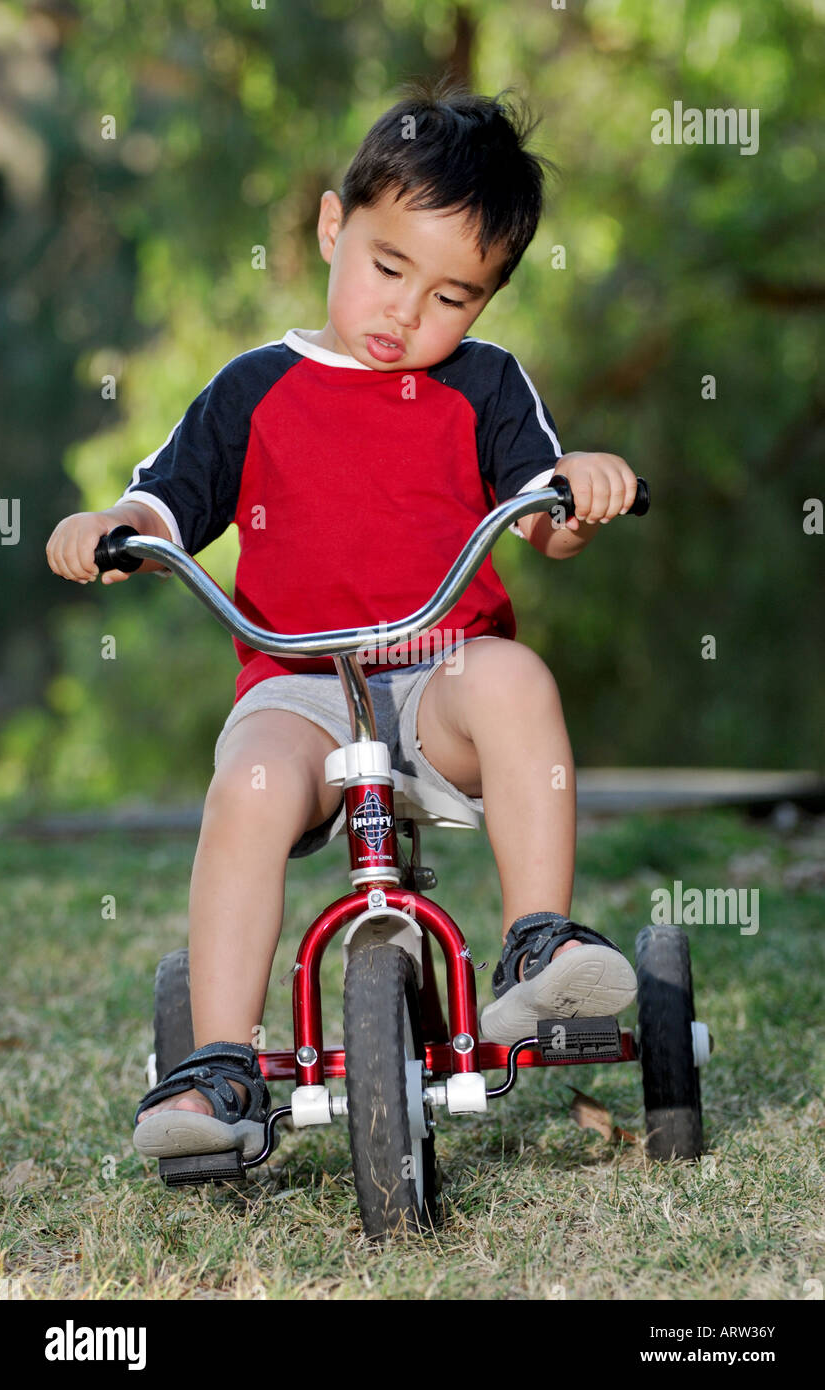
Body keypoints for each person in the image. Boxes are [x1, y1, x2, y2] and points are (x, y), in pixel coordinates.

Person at [46, 76, 639, 1161]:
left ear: (488, 301)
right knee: (249, 781)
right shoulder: (255, 387)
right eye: (386, 267)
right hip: (299, 686)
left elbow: (540, 511)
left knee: (517, 677)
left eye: (452, 295)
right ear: (332, 226)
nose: (407, 313)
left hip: (441, 672)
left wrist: (578, 492)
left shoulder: (485, 386)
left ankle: (536, 944)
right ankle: (217, 1065)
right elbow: (166, 499)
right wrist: (116, 526)